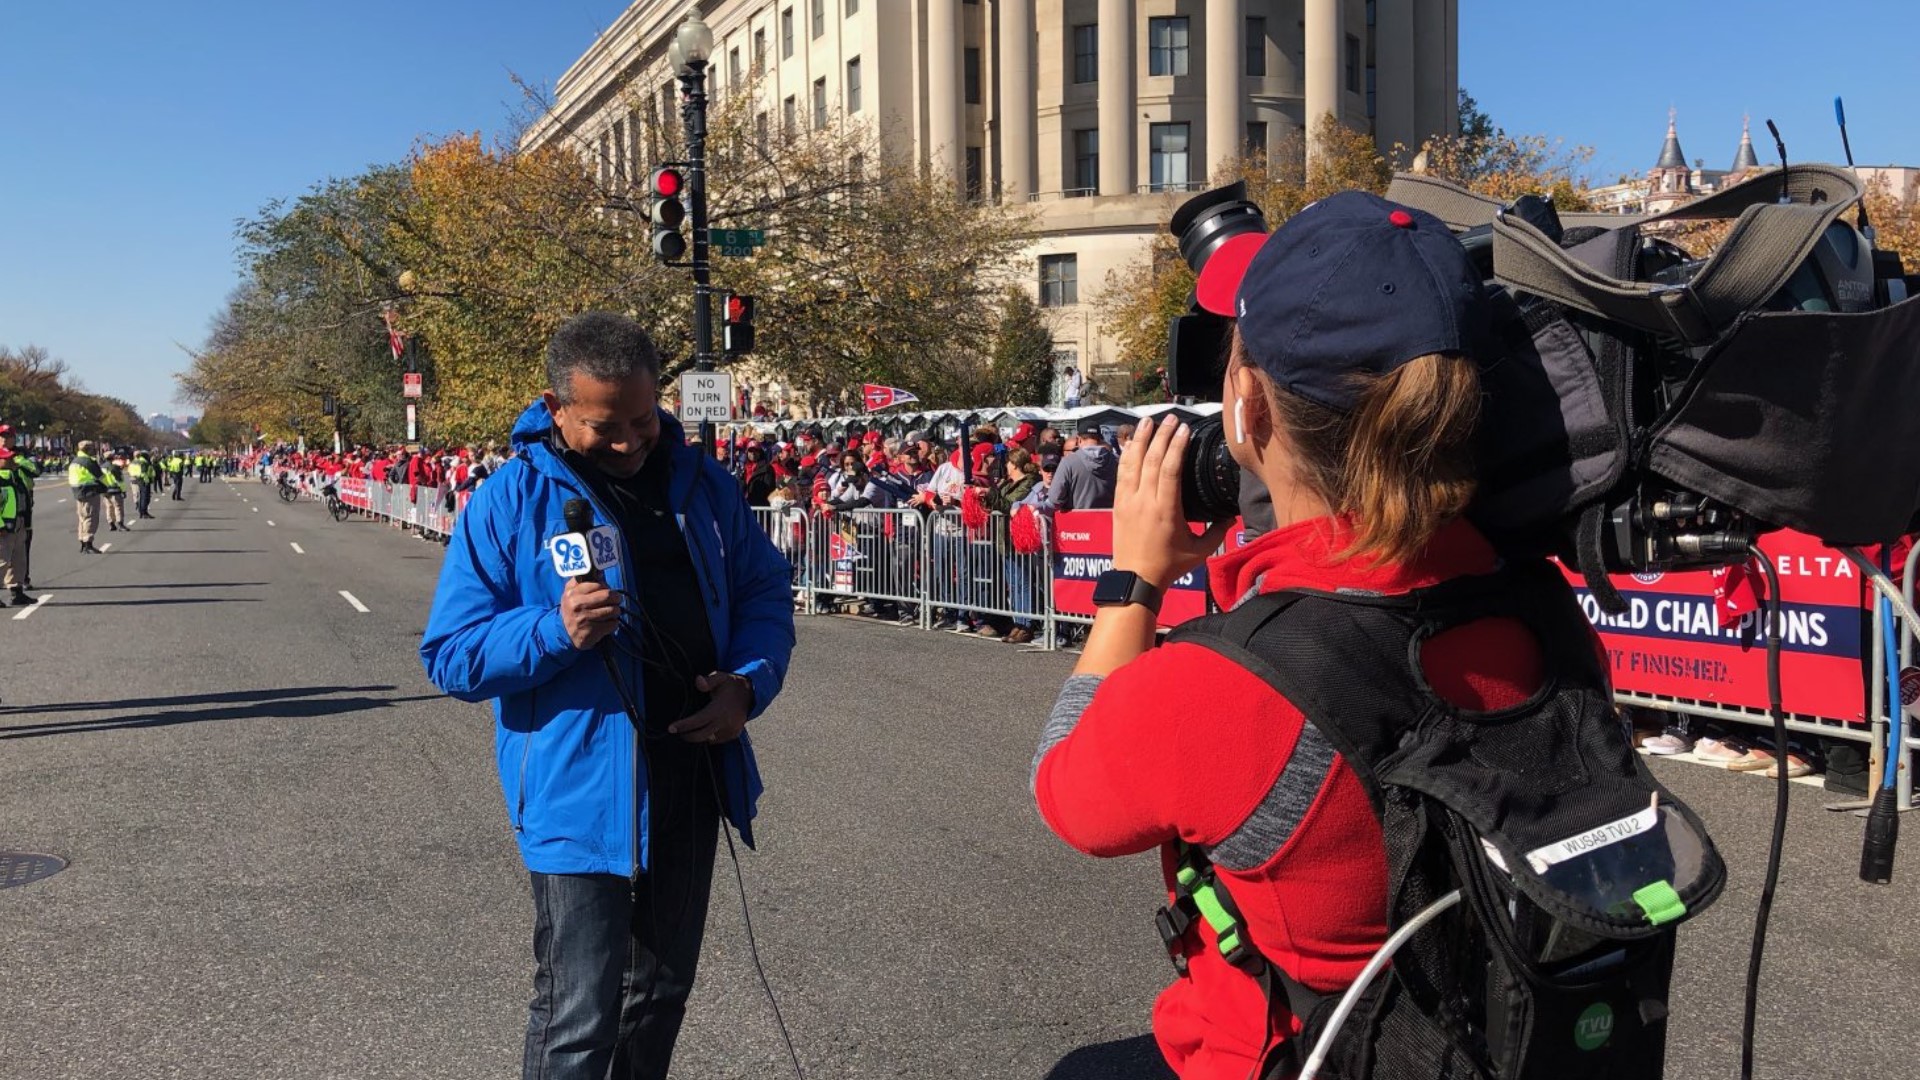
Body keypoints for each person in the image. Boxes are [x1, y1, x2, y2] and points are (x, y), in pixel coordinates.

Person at [1031, 192, 1546, 1077]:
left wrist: (1135, 578)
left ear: (1247, 407)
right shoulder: (1537, 607)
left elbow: (1068, 792)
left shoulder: (1232, 682)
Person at [419, 311, 795, 1080]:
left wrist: (747, 687)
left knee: (660, 995)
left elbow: (764, 593)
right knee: (578, 1013)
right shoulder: (507, 501)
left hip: (691, 773)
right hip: (575, 792)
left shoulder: (704, 484)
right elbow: (451, 656)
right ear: (555, 408)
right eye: (604, 425)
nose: (628, 441)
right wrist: (554, 630)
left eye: (643, 419)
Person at [1049, 418, 1118, 511]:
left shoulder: (1068, 462)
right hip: (1111, 522)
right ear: (1100, 439)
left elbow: (1055, 498)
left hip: (1078, 522)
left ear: (1079, 439)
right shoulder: (1117, 461)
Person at [0, 445, 30, 606]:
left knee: (18, 559)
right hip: (4, 526)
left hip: (17, 522)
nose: (12, 460)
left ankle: (17, 592)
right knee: (2, 562)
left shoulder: (14, 476)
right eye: (7, 458)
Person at [68, 440, 108, 554]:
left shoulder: (74, 461)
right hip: (90, 491)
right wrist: (107, 487)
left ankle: (82, 541)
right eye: (92, 449)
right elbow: (101, 477)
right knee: (90, 517)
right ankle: (88, 543)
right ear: (88, 450)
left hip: (78, 491)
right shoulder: (89, 462)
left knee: (82, 517)